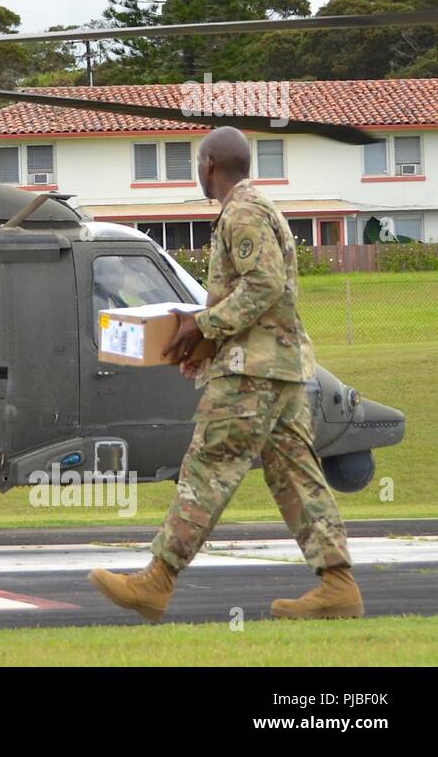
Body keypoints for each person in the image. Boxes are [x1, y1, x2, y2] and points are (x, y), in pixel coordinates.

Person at [87, 126, 361, 622]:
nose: (198, 170)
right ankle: (338, 585)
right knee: (296, 477)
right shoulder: (254, 208)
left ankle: (157, 580)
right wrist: (207, 343)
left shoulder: (243, 212)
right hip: (279, 370)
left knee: (208, 468)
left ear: (210, 164)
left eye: (197, 162)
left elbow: (264, 285)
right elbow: (254, 295)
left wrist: (204, 324)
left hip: (253, 375)